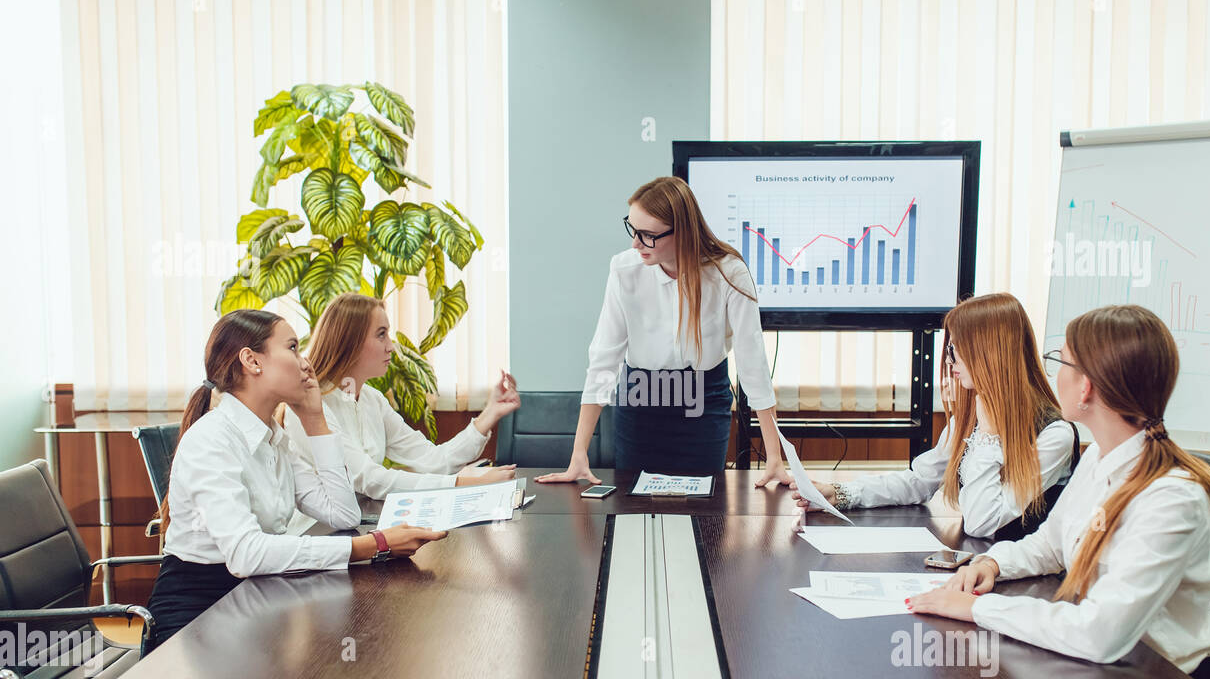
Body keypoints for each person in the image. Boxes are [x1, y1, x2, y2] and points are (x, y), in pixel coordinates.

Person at [907, 305, 1210, 679]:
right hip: (1114, 675)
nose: (1052, 374)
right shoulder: (1099, 457)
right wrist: (993, 563)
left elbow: (1099, 634)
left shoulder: (1172, 497)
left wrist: (975, 610)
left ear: (1086, 387)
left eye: (1060, 362)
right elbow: (1050, 545)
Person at [149, 309, 443, 645]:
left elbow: (343, 514)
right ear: (251, 361)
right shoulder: (211, 440)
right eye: (292, 348)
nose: (306, 363)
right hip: (198, 618)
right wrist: (372, 545)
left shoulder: (275, 437)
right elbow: (246, 553)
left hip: (257, 599)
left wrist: (315, 419)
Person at [536, 176, 791, 486]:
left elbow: (754, 364)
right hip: (641, 402)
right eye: (633, 229)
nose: (635, 244)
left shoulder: (728, 272)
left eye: (648, 235)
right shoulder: (624, 269)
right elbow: (604, 358)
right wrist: (579, 453)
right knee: (634, 508)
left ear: (682, 232)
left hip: (703, 404)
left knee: (705, 511)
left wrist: (775, 456)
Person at [793, 292, 1078, 539]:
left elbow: (982, 522)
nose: (949, 361)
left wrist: (990, 439)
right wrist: (840, 494)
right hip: (979, 568)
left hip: (1026, 583)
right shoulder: (968, 420)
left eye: (956, 350)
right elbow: (919, 480)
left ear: (989, 353)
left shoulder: (1054, 435)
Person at [282, 292, 519, 499]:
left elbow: (434, 460)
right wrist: (461, 482)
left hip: (360, 523)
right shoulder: (309, 406)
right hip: (318, 534)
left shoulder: (372, 400)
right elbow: (367, 478)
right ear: (350, 342)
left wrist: (490, 413)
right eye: (381, 334)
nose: (391, 347)